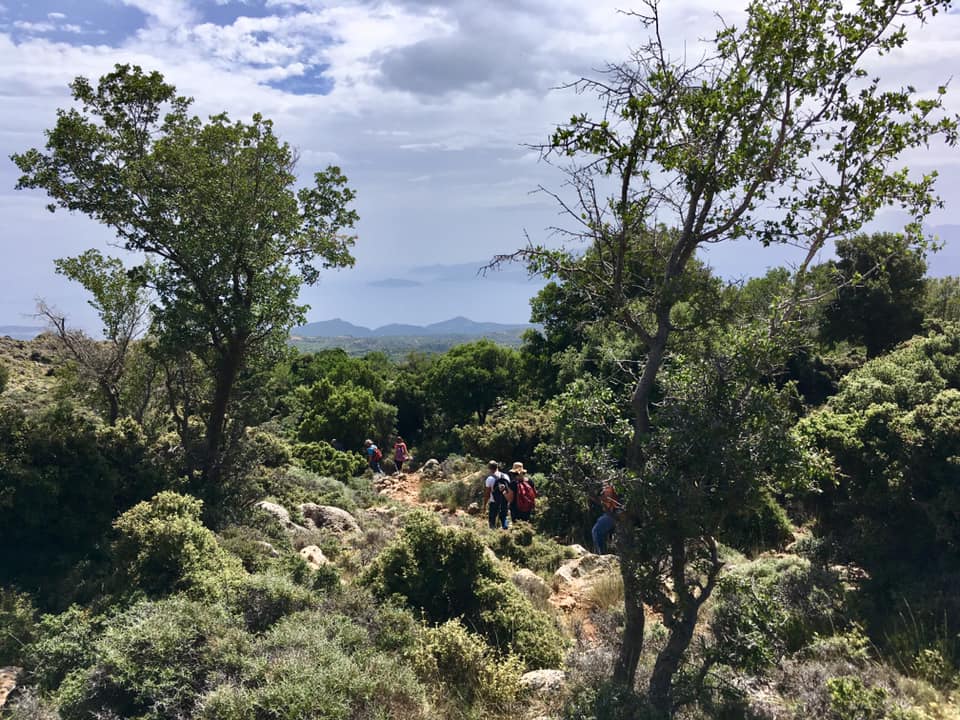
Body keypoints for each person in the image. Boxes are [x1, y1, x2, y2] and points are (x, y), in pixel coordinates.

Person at [591, 480, 621, 555]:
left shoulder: (612, 489)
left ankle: (601, 555)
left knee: (597, 531)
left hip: (616, 514)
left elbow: (608, 503)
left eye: (606, 486)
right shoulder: (605, 491)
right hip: (613, 514)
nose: (605, 488)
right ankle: (602, 553)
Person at [483, 460, 511, 530]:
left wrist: (484, 505)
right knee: (504, 517)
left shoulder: (490, 479)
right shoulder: (506, 476)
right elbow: (509, 489)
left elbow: (487, 494)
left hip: (494, 502)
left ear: (489, 468)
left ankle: (492, 534)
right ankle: (505, 532)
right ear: (497, 467)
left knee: (492, 520)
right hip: (505, 500)